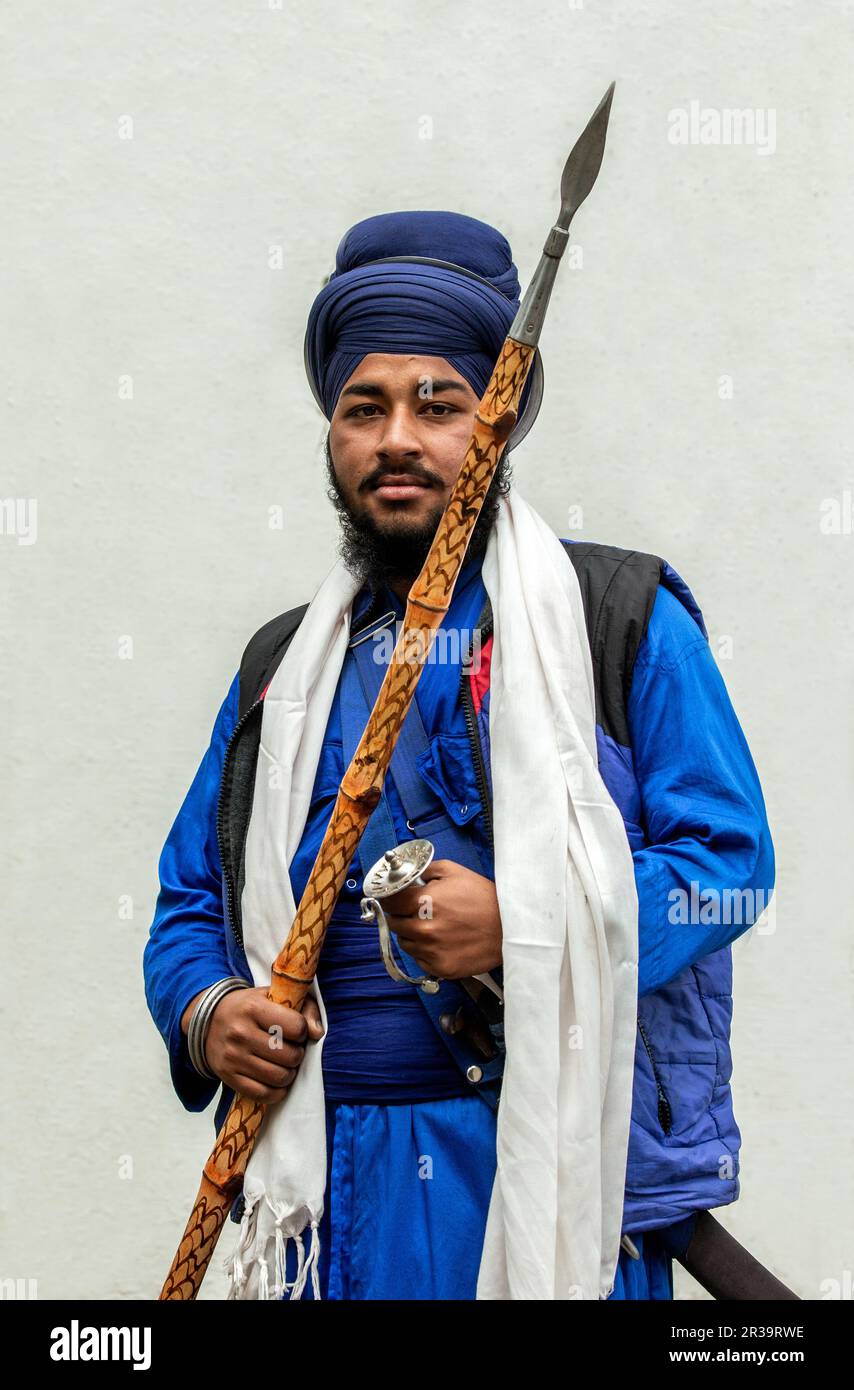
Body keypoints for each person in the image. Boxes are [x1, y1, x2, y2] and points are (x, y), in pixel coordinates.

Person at [144, 210, 775, 1301]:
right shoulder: (277, 668)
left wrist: (527, 917)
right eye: (363, 408)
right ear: (332, 437)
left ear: (495, 421)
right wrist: (210, 1016)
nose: (397, 438)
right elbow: (190, 903)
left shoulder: (617, 618)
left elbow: (728, 865)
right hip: (322, 1198)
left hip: (548, 1171)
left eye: (438, 403)